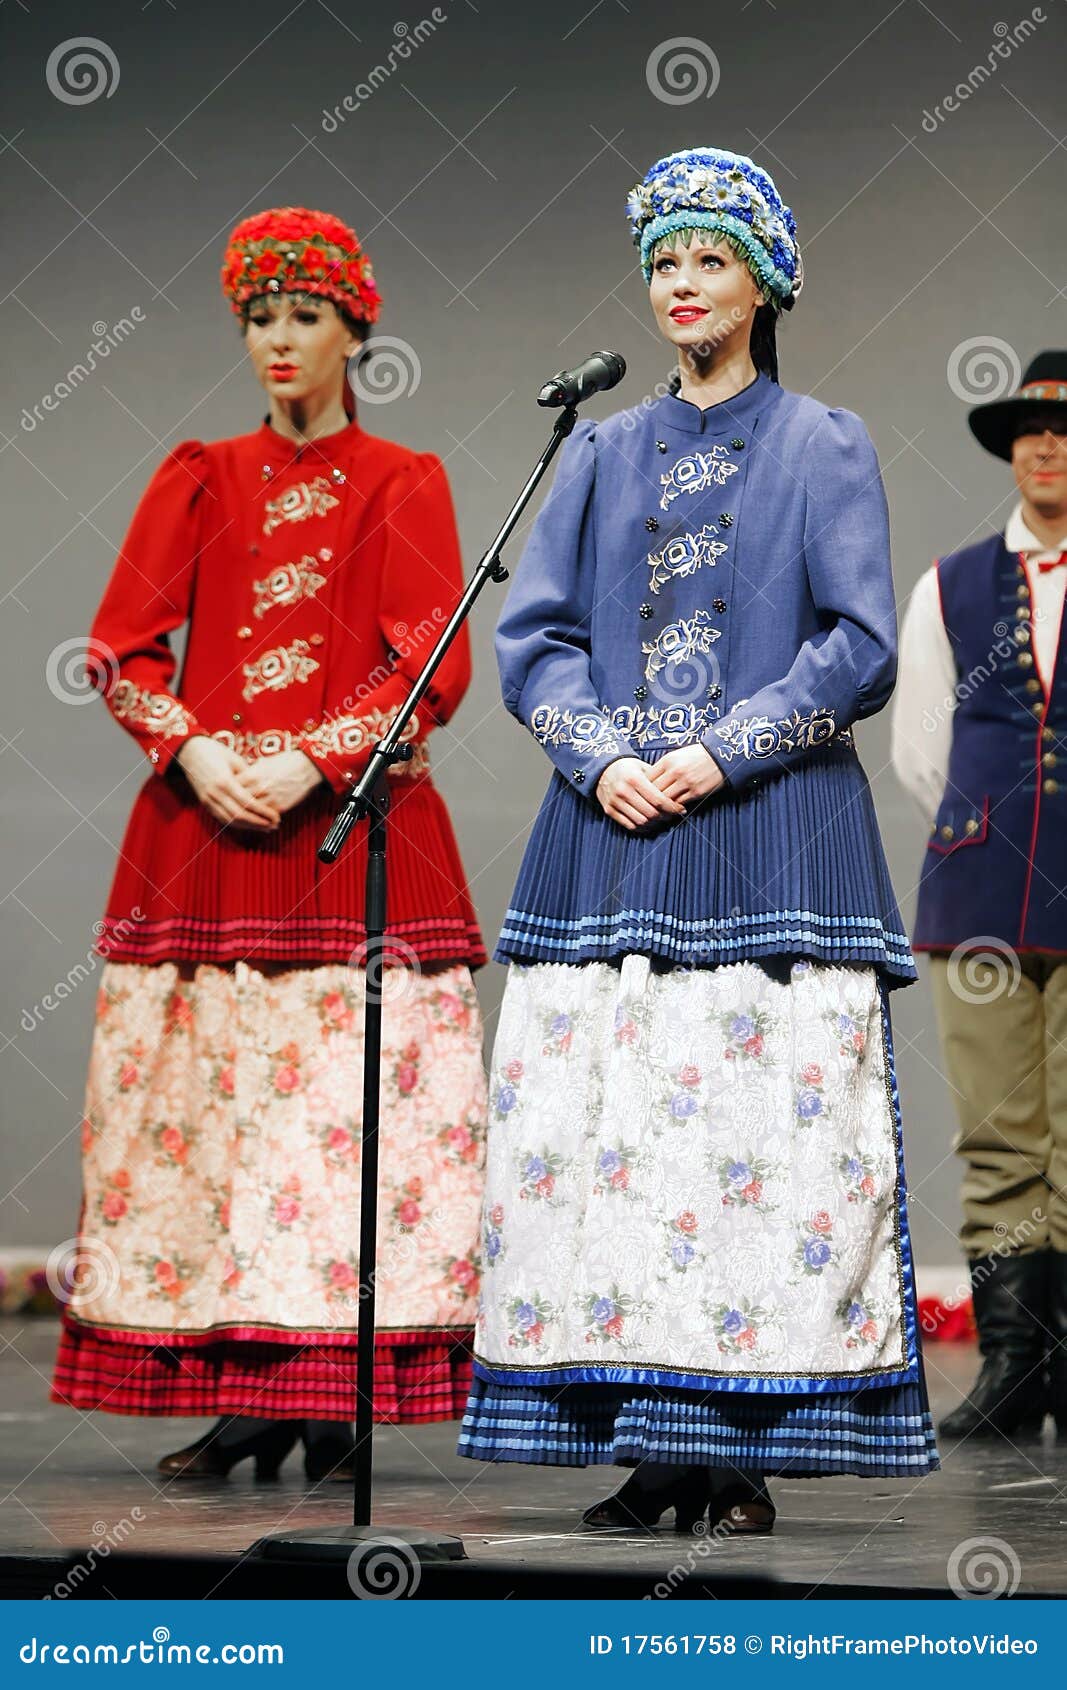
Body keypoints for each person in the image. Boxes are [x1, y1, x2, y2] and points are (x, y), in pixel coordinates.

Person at [456, 147, 938, 1534]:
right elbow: (532, 634)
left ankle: (733, 1449)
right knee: (612, 1133)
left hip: (768, 835)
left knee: (753, 1137)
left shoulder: (821, 442)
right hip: (608, 838)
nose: (679, 284)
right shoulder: (601, 448)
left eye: (708, 260)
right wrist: (600, 755)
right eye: (663, 261)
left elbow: (854, 647)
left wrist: (714, 749)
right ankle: (647, 1440)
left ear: (762, 281)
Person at [49, 206, 489, 1483]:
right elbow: (120, 648)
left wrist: (312, 756)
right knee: (219, 1114)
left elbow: (433, 656)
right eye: (258, 317)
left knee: (345, 1125)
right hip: (204, 833)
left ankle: (330, 1386)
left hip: (351, 833)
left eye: (304, 314)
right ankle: (246, 1391)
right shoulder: (199, 473)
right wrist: (193, 749)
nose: (279, 339)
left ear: (356, 326)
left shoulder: (405, 479)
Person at [892, 351, 1067, 1442]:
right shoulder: (948, 581)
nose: (1045, 446)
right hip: (981, 889)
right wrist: (987, 830)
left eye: (1064, 431)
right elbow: (920, 750)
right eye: (1028, 431)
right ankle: (1012, 1366)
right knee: (998, 1132)